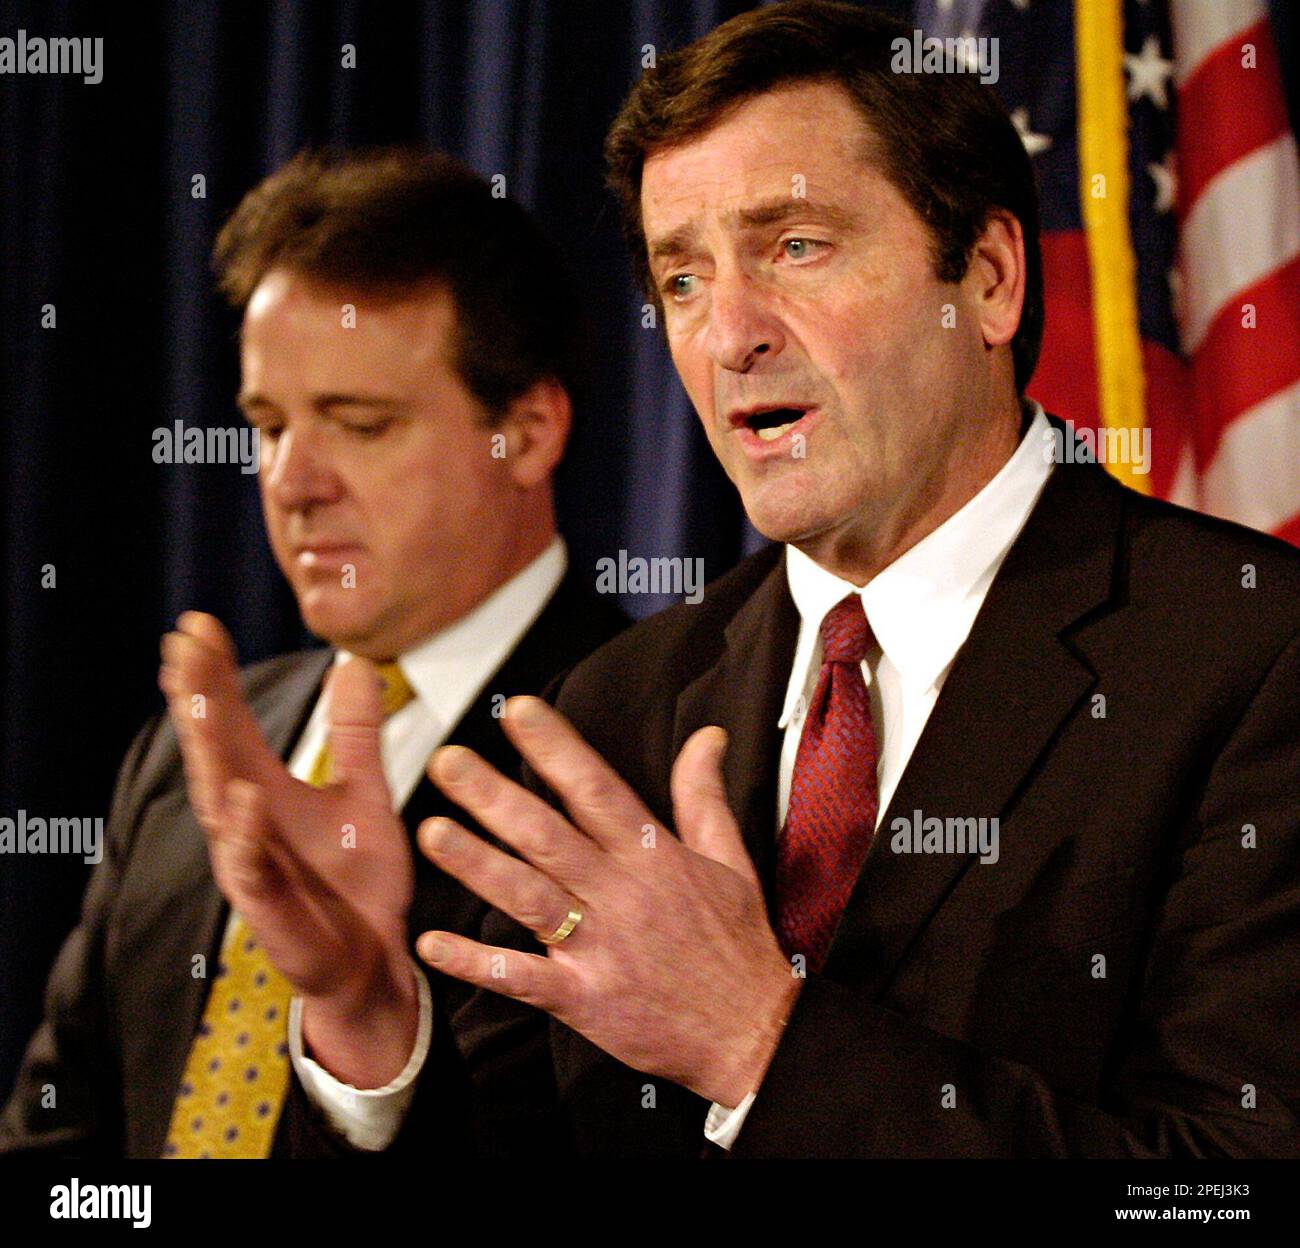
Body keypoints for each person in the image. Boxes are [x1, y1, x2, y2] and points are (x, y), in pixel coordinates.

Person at [142, 2, 1300, 1158]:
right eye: (682, 279)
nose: (728, 333)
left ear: (988, 280)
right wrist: (362, 1011)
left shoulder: (1249, 658)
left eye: (795, 246)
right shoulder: (615, 713)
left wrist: (762, 1043)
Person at [0, 148, 627, 1158]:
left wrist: (369, 1026)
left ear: (529, 430)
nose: (291, 483)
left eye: (358, 423)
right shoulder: (192, 755)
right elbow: (60, 1135)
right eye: (268, 424)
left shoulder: (642, 741)